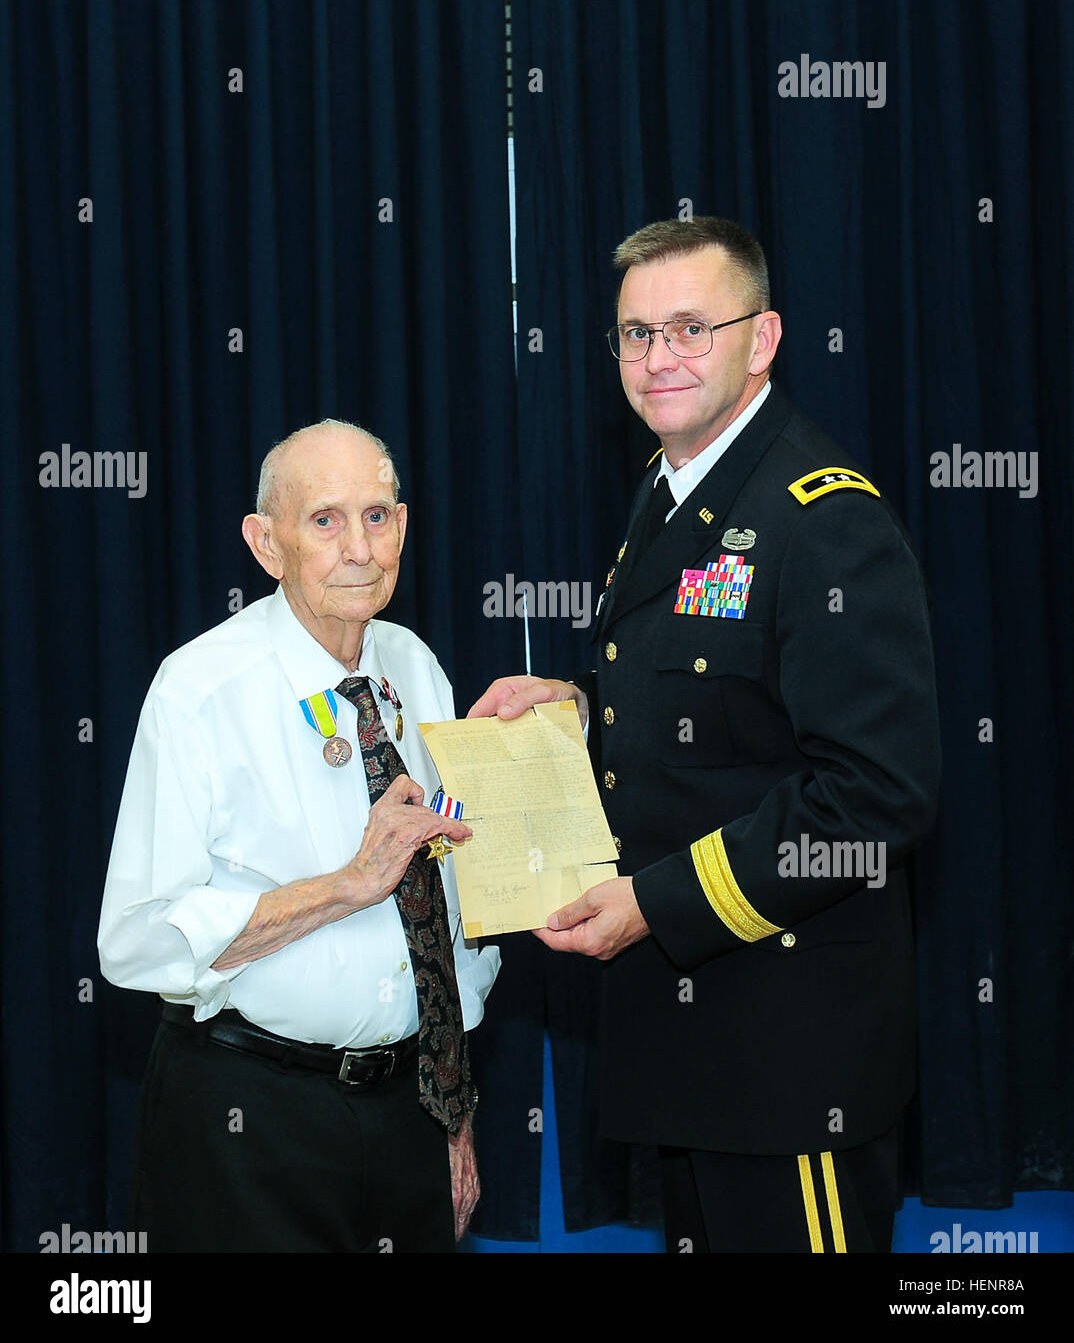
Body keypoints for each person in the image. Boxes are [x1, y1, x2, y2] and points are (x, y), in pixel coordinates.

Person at [469, 217, 941, 1253]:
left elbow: (876, 796)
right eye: (636, 334)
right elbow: (713, 700)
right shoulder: (673, 483)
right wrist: (575, 702)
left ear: (762, 337)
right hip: (690, 1038)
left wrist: (653, 903)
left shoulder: (822, 518)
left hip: (790, 1051)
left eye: (690, 326)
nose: (658, 358)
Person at [99, 420, 499, 1252]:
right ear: (265, 543)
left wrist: (453, 1119)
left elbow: (447, 922)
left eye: (378, 516)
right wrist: (346, 885)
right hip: (250, 1123)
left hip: (409, 1116)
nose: (359, 547)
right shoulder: (200, 689)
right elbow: (136, 943)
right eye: (325, 520)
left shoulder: (416, 667)